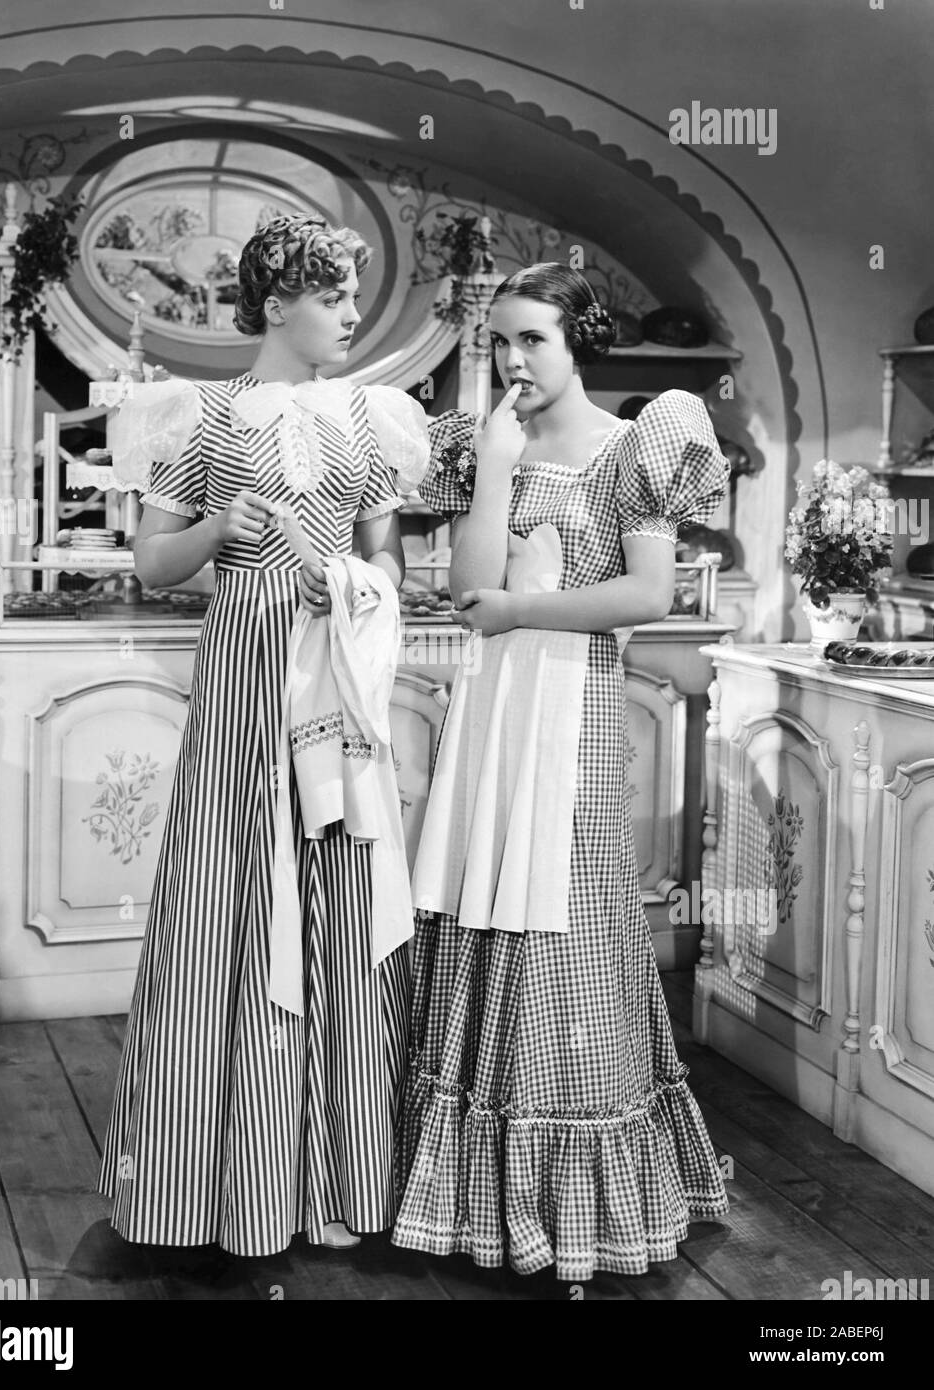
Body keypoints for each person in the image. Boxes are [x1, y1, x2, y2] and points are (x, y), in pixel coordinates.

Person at [391, 262, 731, 1281]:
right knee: (483, 914)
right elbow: (464, 586)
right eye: (498, 341)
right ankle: (476, 1198)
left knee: (568, 925)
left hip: (574, 714)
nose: (511, 359)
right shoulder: (489, 444)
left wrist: (518, 610)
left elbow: (646, 593)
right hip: (492, 715)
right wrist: (493, 466)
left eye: (531, 338)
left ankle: (578, 1202)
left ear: (579, 338)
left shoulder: (634, 449)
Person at [98, 214, 427, 1255]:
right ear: (277, 301)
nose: (347, 316)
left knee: (337, 883)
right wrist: (217, 531)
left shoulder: (374, 420)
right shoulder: (197, 418)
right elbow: (152, 567)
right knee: (226, 894)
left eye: (349, 297)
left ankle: (335, 1185)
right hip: (243, 678)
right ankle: (209, 1193)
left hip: (330, 673)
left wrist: (348, 588)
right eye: (331, 297)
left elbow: (394, 573)